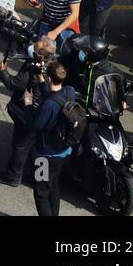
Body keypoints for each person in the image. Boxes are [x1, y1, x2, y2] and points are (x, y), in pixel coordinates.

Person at [25, 60, 76, 216]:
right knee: (53, 184)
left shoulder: (48, 106)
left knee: (40, 193)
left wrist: (28, 105)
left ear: (49, 78)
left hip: (45, 155)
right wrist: (42, 83)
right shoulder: (69, 91)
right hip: (63, 150)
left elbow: (34, 126)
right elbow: (54, 97)